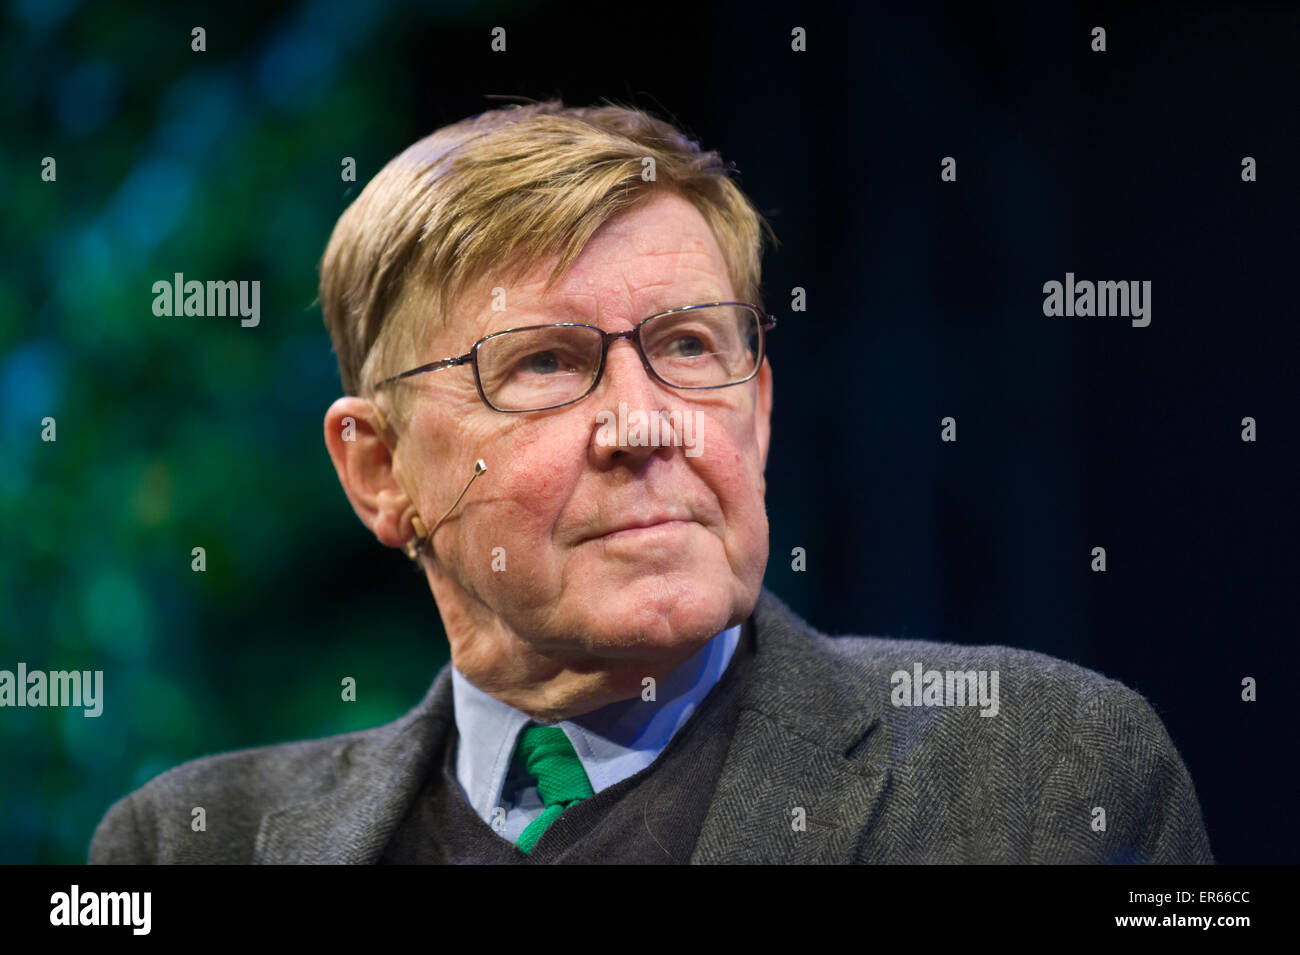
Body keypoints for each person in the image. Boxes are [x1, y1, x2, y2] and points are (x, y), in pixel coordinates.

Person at [89, 99, 1213, 864]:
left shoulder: (1042, 780)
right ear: (380, 470)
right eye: (544, 362)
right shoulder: (188, 841)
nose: (644, 422)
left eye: (687, 347)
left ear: (758, 412)